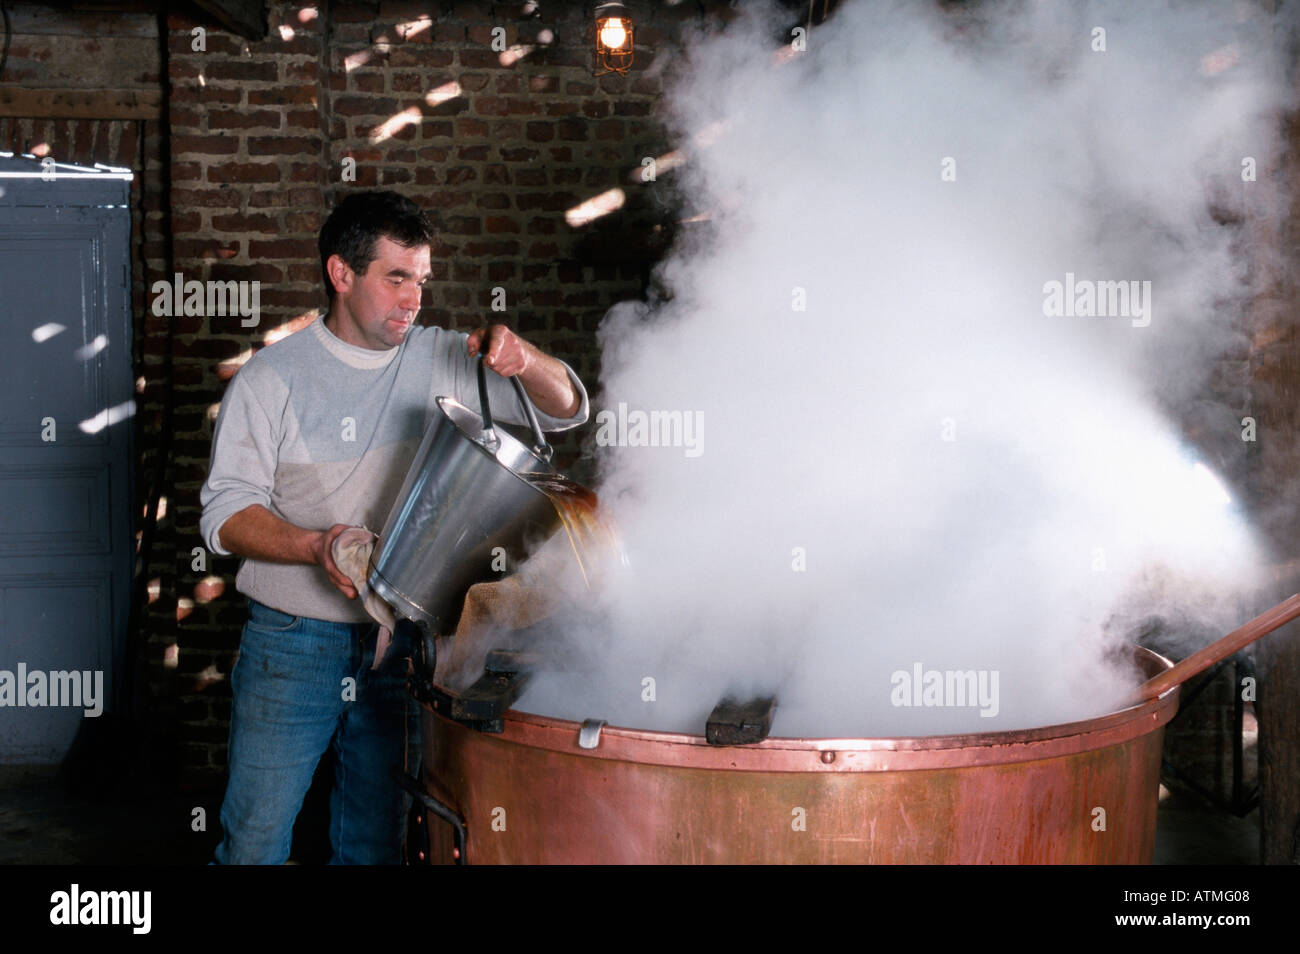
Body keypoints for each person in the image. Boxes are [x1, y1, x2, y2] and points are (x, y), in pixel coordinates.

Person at [199, 190, 589, 864]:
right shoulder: (271, 380)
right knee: (256, 841)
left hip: (404, 645)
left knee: (375, 841)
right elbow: (223, 516)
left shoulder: (444, 357)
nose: (413, 299)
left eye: (421, 281)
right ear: (342, 274)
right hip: (293, 645)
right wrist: (311, 544)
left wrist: (524, 359)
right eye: (396, 277)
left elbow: (566, 412)